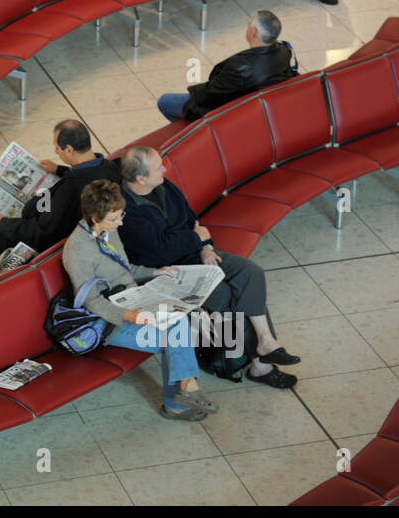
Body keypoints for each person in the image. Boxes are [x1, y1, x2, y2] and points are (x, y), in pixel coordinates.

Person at [117, 146, 300, 388]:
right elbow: (161, 250)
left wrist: (206, 246)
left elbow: (191, 218)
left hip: (195, 254)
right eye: (157, 167)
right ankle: (261, 365)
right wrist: (196, 237)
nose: (164, 168)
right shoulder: (127, 210)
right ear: (140, 178)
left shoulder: (162, 185)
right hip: (170, 272)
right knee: (230, 298)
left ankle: (267, 341)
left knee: (250, 274)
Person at [63, 181, 219, 420]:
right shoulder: (78, 251)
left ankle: (181, 397)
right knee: (176, 335)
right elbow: (90, 301)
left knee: (177, 321)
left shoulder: (108, 230)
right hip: (111, 321)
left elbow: (124, 269)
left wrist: (154, 271)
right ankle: (182, 395)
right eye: (115, 218)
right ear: (94, 218)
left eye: (121, 215)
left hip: (134, 299)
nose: (121, 223)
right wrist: (130, 316)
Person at [0, 119, 117, 285]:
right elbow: (85, 177)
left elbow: (41, 232)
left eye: (57, 148)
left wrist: (2, 224)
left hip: (40, 249)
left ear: (69, 149)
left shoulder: (70, 189)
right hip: (79, 237)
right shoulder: (109, 168)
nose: (56, 152)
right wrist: (59, 170)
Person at [156, 10, 297, 122]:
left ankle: (192, 137)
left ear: (254, 32)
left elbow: (211, 95)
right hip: (254, 105)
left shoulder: (241, 67)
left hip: (229, 114)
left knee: (165, 102)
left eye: (249, 24)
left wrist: (195, 92)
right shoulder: (284, 51)